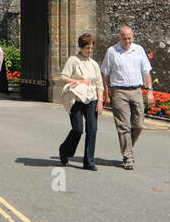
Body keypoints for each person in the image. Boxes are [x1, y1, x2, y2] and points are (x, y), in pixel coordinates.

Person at [100, 25, 153, 170]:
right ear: (119, 38)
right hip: (119, 92)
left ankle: (127, 147)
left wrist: (150, 90)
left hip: (136, 90)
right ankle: (128, 157)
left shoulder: (139, 50)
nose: (128, 41)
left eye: (130, 38)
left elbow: (146, 71)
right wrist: (106, 94)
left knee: (139, 125)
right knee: (123, 126)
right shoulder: (112, 52)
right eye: (125, 38)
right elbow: (105, 74)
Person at [58, 33, 103, 170]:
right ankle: (64, 151)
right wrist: (80, 81)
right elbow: (64, 77)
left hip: (91, 99)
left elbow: (99, 83)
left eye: (91, 48)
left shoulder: (94, 64)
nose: (89, 50)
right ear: (81, 47)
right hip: (76, 98)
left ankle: (89, 162)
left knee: (92, 129)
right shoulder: (73, 60)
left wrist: (100, 101)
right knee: (77, 130)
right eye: (87, 48)